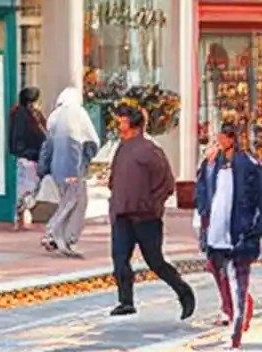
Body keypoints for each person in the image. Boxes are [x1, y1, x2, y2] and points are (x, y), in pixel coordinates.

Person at [109, 103, 196, 319]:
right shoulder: (121, 148)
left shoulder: (150, 150)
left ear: (132, 123)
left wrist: (153, 205)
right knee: (120, 259)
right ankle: (125, 301)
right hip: (122, 214)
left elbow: (166, 183)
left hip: (146, 217)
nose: (119, 123)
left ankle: (183, 291)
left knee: (155, 261)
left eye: (122, 119)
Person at [196, 120, 262, 348]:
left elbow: (256, 201)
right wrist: (203, 217)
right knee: (218, 269)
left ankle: (236, 331)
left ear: (232, 139)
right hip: (216, 231)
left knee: (237, 281)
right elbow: (203, 189)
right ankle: (233, 312)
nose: (218, 140)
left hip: (239, 234)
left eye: (222, 136)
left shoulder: (248, 165)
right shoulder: (213, 163)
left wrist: (252, 232)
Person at [38, 87, 99, 256]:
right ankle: (57, 234)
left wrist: (43, 168)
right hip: (74, 171)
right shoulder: (79, 114)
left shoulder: (54, 117)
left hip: (58, 171)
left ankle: (60, 237)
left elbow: (46, 147)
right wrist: (86, 162)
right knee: (76, 202)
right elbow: (93, 142)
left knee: (68, 200)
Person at [9, 87, 46, 230]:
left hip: (33, 157)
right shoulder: (21, 115)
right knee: (25, 189)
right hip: (27, 157)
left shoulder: (33, 114)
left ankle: (21, 213)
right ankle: (18, 214)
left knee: (28, 188)